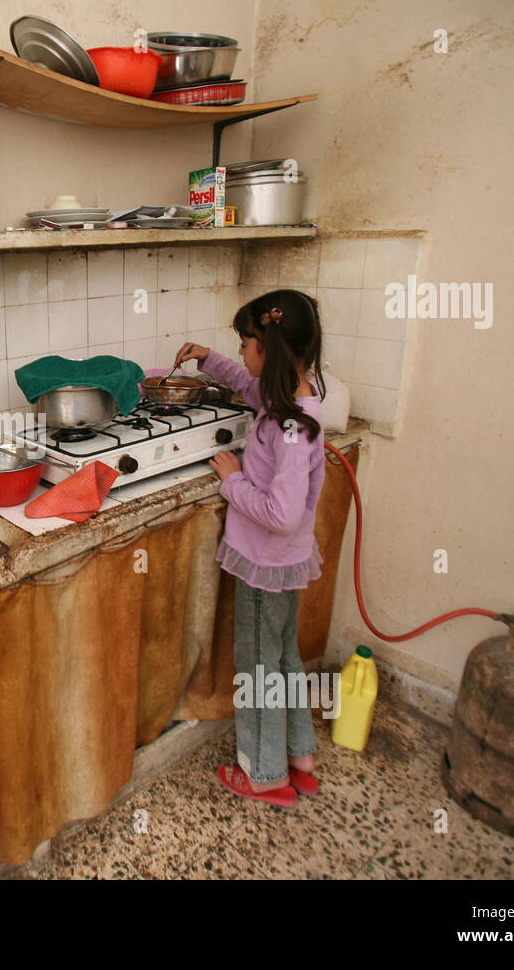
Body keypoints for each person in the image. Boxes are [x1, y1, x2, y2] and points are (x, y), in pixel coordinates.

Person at [174, 289, 327, 807]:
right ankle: (299, 756)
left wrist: (234, 481)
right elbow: (247, 383)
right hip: (285, 566)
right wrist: (208, 360)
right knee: (284, 659)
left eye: (244, 343)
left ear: (271, 349)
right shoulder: (295, 399)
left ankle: (263, 774)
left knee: (258, 668)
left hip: (265, 566)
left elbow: (281, 515)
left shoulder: (289, 428)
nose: (241, 353)